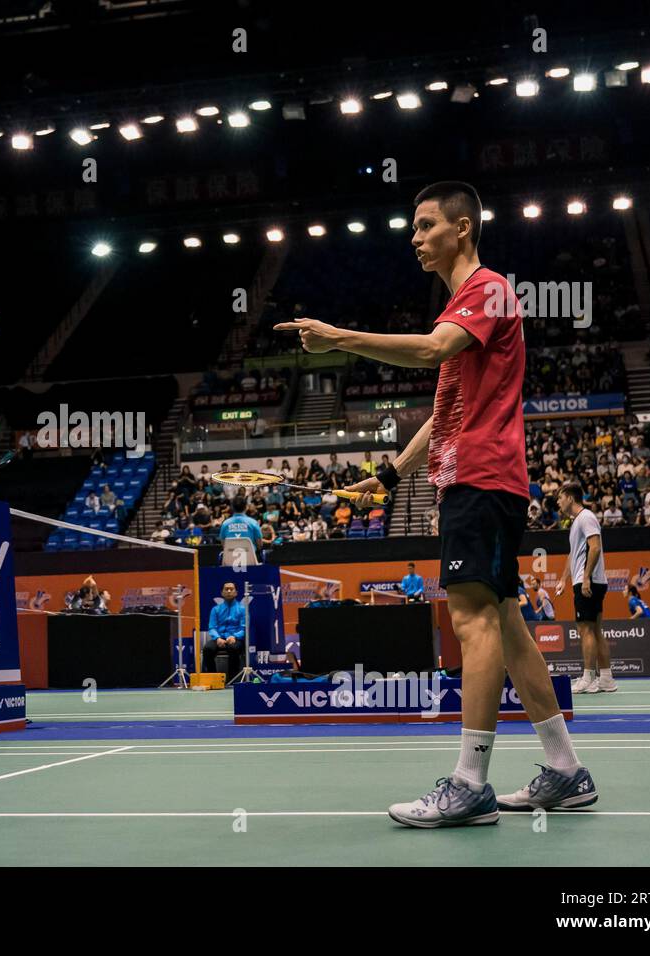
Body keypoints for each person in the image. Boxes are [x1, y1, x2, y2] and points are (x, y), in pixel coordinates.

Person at [277, 181, 595, 826]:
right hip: (473, 478)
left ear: (463, 228)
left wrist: (339, 337)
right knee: (505, 626)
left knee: (472, 623)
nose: (415, 238)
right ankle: (565, 769)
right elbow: (444, 414)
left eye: (426, 225)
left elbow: (429, 351)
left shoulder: (489, 290)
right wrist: (390, 478)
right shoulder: (461, 309)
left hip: (482, 480)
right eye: (414, 228)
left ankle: (470, 782)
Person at [555, 482, 615, 694]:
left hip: (588, 580)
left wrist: (586, 577)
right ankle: (606, 678)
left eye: (560, 498)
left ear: (570, 498)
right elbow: (573, 554)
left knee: (585, 629)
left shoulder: (586, 517)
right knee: (595, 630)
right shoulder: (576, 522)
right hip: (585, 579)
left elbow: (595, 546)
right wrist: (563, 579)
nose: (558, 502)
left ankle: (587, 677)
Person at [203, 582, 245, 679]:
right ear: (222, 593)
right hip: (219, 638)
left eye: (231, 589)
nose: (229, 591)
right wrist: (217, 638)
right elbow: (212, 627)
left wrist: (235, 636)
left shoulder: (242, 609)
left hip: (235, 638)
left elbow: (244, 628)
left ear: (236, 592)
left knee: (233, 648)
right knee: (208, 649)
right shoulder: (215, 609)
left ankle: (232, 679)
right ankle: (213, 678)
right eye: (226, 589)